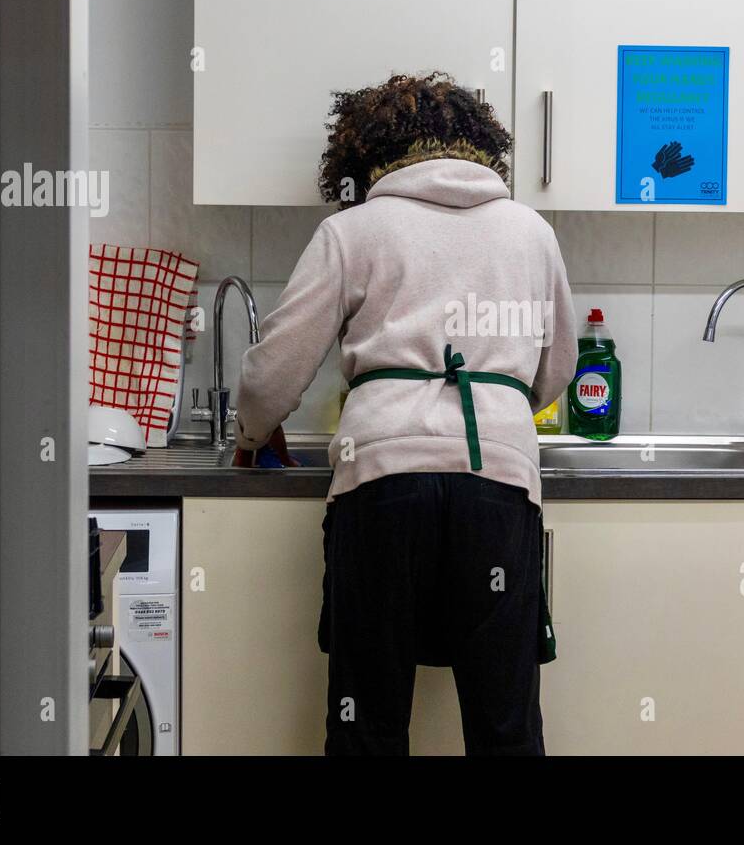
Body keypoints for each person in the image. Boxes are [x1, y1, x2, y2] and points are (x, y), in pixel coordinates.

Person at [234, 72, 577, 755]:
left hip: (381, 483)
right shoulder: (530, 232)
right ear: (479, 144)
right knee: (505, 722)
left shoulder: (353, 231)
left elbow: (276, 367)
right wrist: (499, 407)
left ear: (365, 153)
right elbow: (556, 369)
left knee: (370, 724)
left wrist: (254, 427)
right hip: (498, 487)